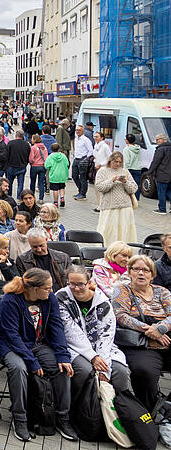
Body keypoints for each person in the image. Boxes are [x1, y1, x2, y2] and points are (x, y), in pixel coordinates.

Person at [0, 268, 78, 442]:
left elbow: (56, 326)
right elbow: (12, 335)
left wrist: (62, 356)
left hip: (35, 343)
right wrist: (32, 361)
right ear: (34, 289)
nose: (51, 291)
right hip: (6, 344)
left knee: (62, 368)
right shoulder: (11, 299)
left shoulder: (49, 299)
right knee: (19, 368)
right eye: (47, 288)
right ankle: (19, 418)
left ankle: (62, 418)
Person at [56, 265, 131, 400]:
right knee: (85, 370)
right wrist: (93, 357)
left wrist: (103, 363)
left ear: (89, 283)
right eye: (71, 284)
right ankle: (83, 410)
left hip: (101, 346)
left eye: (80, 284)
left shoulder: (102, 302)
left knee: (120, 371)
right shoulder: (61, 298)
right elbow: (70, 331)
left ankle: (121, 408)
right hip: (73, 347)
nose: (76, 288)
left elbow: (107, 333)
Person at [112, 254, 171, 410]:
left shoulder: (162, 291)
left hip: (166, 339)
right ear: (129, 272)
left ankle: (166, 407)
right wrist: (150, 330)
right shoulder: (122, 289)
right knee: (144, 371)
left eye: (145, 270)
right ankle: (148, 411)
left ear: (152, 275)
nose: (140, 273)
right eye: (136, 269)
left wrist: (160, 329)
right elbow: (120, 316)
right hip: (140, 343)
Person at [95, 151, 138, 245]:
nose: (118, 164)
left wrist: (125, 182)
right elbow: (100, 187)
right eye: (116, 162)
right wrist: (112, 180)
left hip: (125, 206)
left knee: (125, 231)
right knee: (108, 231)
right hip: (109, 206)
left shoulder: (125, 171)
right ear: (110, 161)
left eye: (120, 162)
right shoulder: (102, 171)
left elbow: (134, 188)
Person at [44, 143, 70, 209]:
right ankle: (62, 198)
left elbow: (46, 166)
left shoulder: (50, 157)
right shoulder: (63, 156)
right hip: (62, 175)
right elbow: (67, 164)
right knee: (62, 187)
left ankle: (55, 202)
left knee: (55, 189)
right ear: (59, 149)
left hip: (54, 175)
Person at [72, 124, 94, 201]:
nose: (78, 131)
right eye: (77, 130)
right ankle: (80, 190)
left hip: (82, 160)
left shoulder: (86, 140)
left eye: (79, 130)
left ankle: (83, 193)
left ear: (83, 131)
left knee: (83, 178)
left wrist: (85, 159)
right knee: (74, 176)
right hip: (76, 159)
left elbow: (91, 151)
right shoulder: (76, 139)